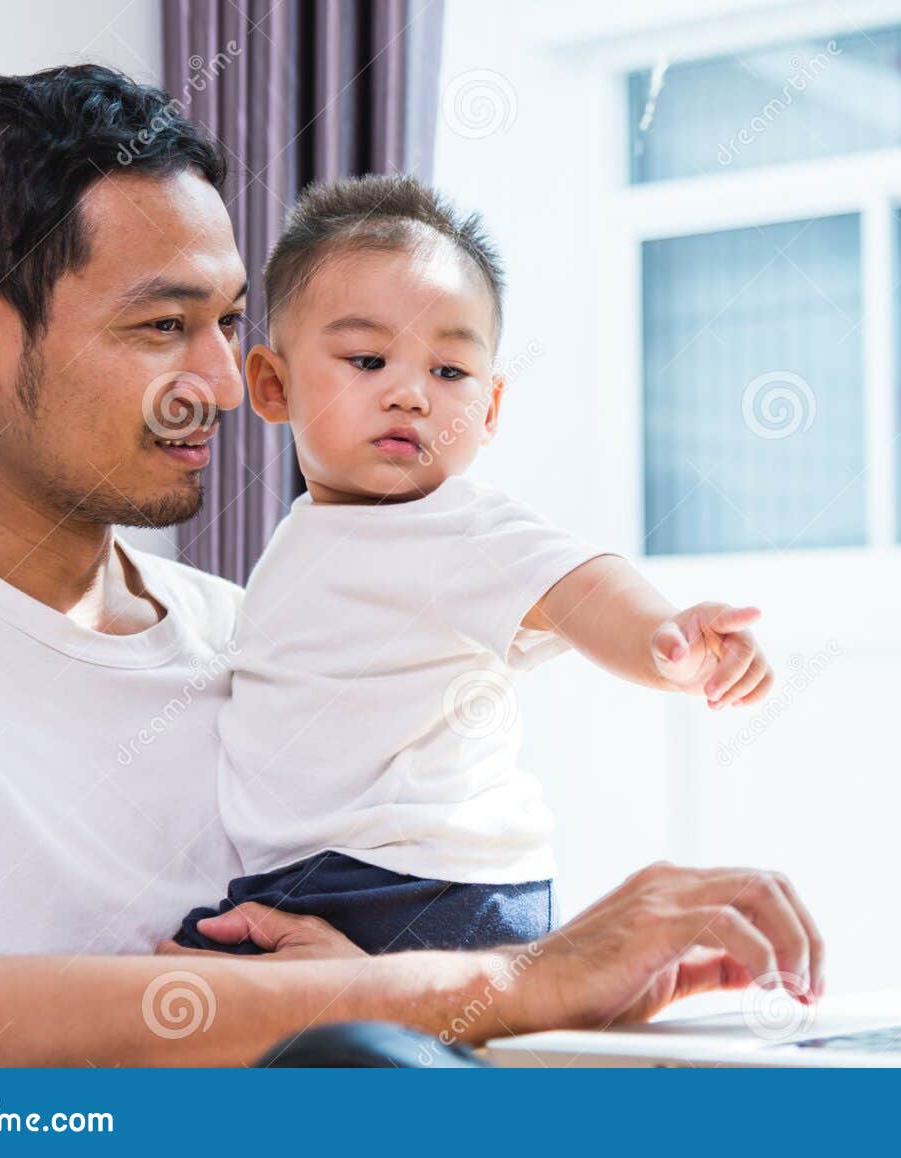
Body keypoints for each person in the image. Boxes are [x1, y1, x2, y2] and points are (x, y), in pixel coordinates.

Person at [0, 64, 823, 1066]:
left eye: (226, 321)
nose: (224, 381)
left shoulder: (253, 632)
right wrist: (515, 982)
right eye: (164, 326)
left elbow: (346, 997)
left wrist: (379, 988)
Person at [173, 174, 776, 957]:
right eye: (367, 360)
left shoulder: (458, 525)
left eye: (449, 372)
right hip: (338, 879)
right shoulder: (309, 534)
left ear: (489, 409)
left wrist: (667, 638)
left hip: (420, 886)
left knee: (189, 991)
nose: (411, 395)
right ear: (271, 384)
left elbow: (579, 585)